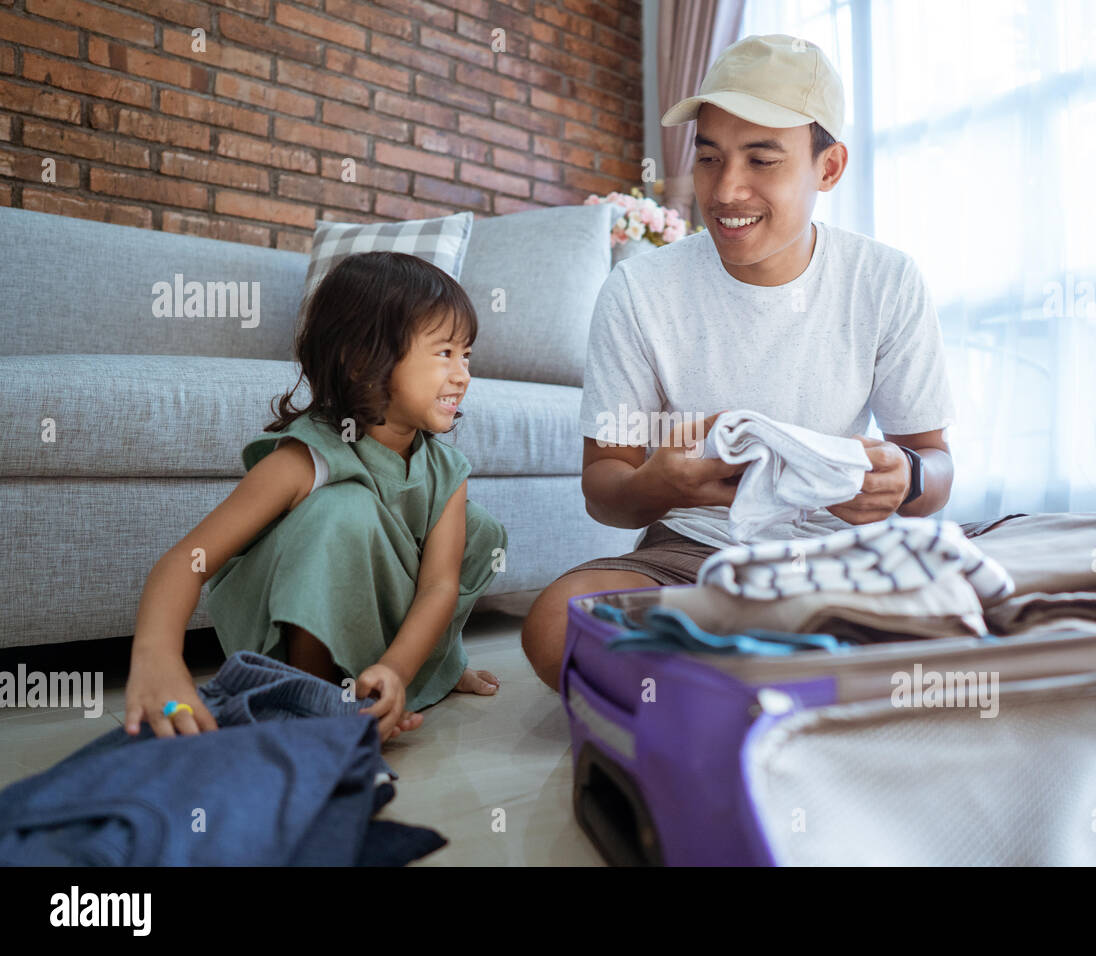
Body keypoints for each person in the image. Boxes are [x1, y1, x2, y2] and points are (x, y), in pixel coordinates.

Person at [522, 34, 958, 690]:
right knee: (557, 624)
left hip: (840, 553)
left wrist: (908, 480)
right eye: (709, 157)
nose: (727, 191)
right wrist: (659, 486)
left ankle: (734, 684)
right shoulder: (641, 291)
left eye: (761, 160)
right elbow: (603, 488)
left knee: (983, 604)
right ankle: (793, 679)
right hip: (692, 556)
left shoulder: (885, 280)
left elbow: (935, 465)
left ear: (829, 167)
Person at [125, 251, 507, 743]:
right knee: (341, 510)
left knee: (479, 531)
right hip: (288, 633)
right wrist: (157, 657)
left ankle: (408, 677)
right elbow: (187, 560)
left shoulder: (446, 469)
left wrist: (397, 669)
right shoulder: (307, 459)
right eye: (444, 353)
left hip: (380, 635)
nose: (463, 375)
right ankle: (311, 698)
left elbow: (439, 588)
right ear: (362, 361)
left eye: (466, 354)